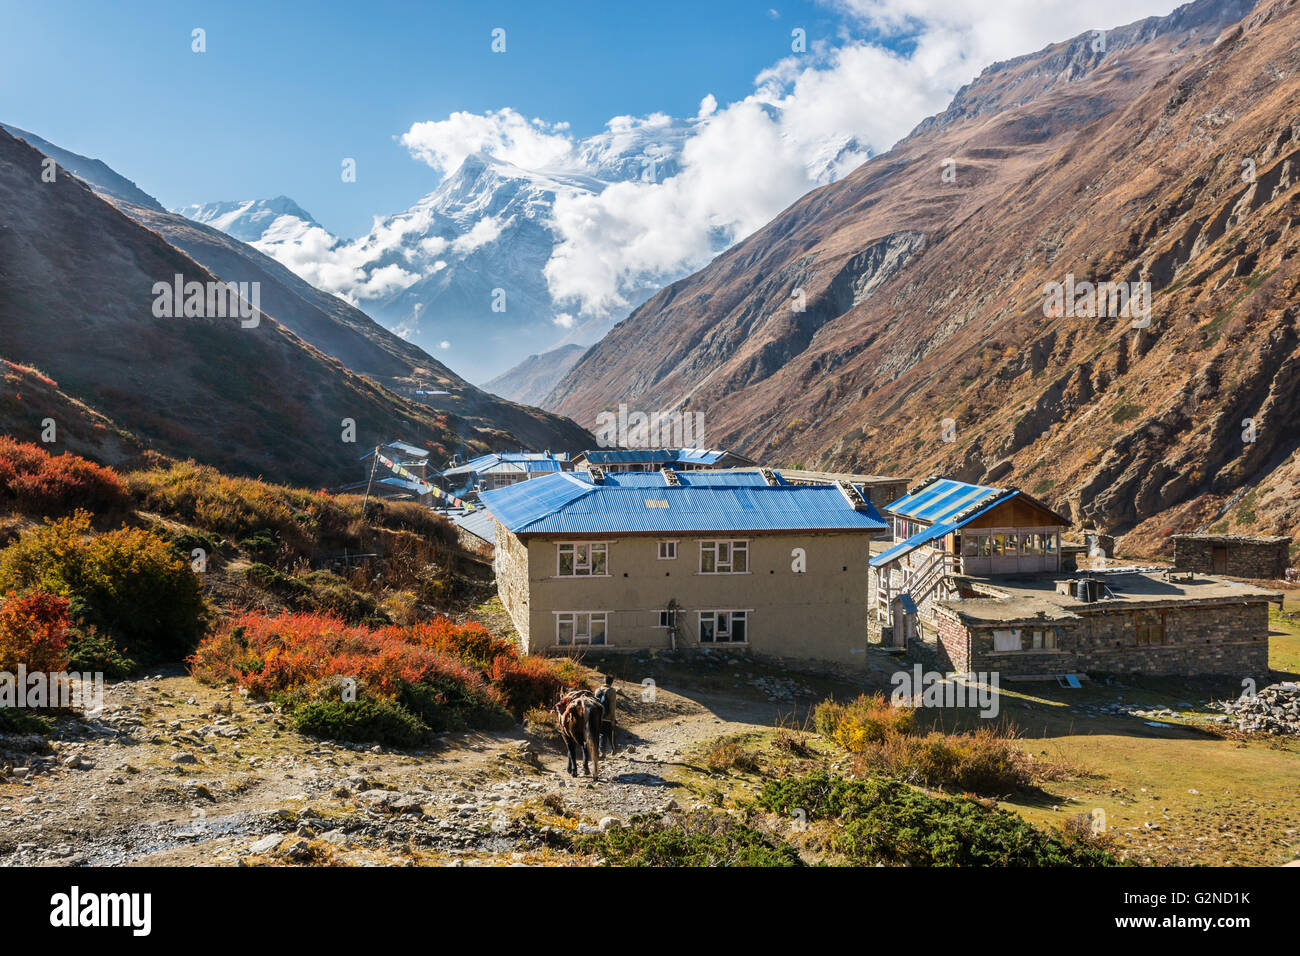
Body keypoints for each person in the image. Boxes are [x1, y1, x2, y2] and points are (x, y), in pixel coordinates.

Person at [595, 674, 616, 756]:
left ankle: (609, 750)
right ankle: (604, 752)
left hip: (597, 716)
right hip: (607, 716)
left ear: (604, 680)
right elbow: (612, 706)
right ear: (612, 682)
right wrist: (613, 719)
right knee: (608, 733)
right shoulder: (612, 691)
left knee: (598, 733)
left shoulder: (597, 690)